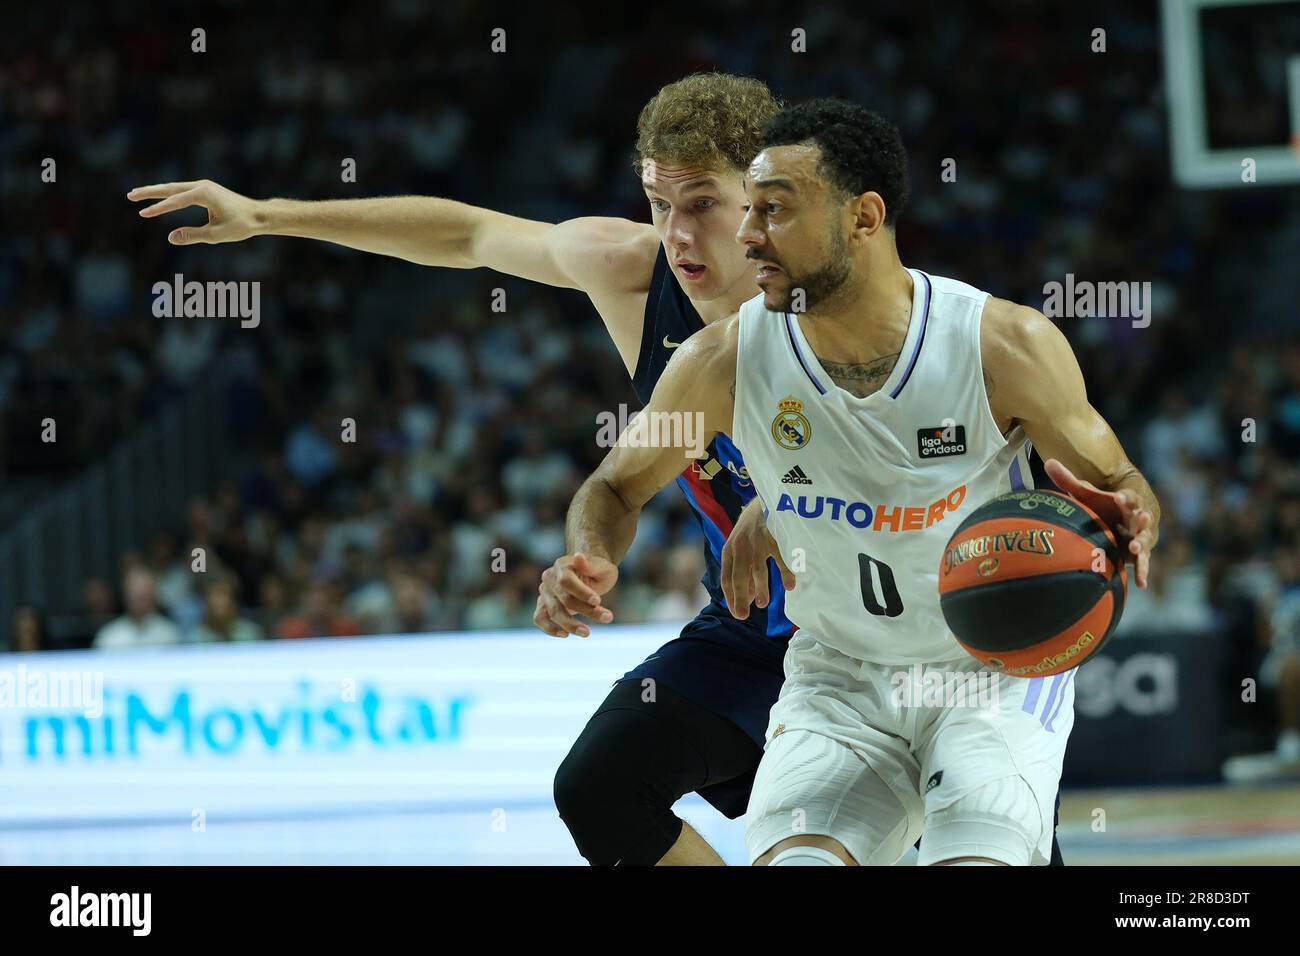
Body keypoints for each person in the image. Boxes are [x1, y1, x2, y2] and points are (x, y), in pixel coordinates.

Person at [543, 99, 1160, 865]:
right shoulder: (720, 361)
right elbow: (614, 487)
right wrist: (588, 556)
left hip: (985, 673)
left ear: (864, 218)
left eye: (773, 210)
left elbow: (1121, 480)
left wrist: (1130, 515)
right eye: (749, 210)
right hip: (837, 678)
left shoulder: (1002, 344)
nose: (746, 234)